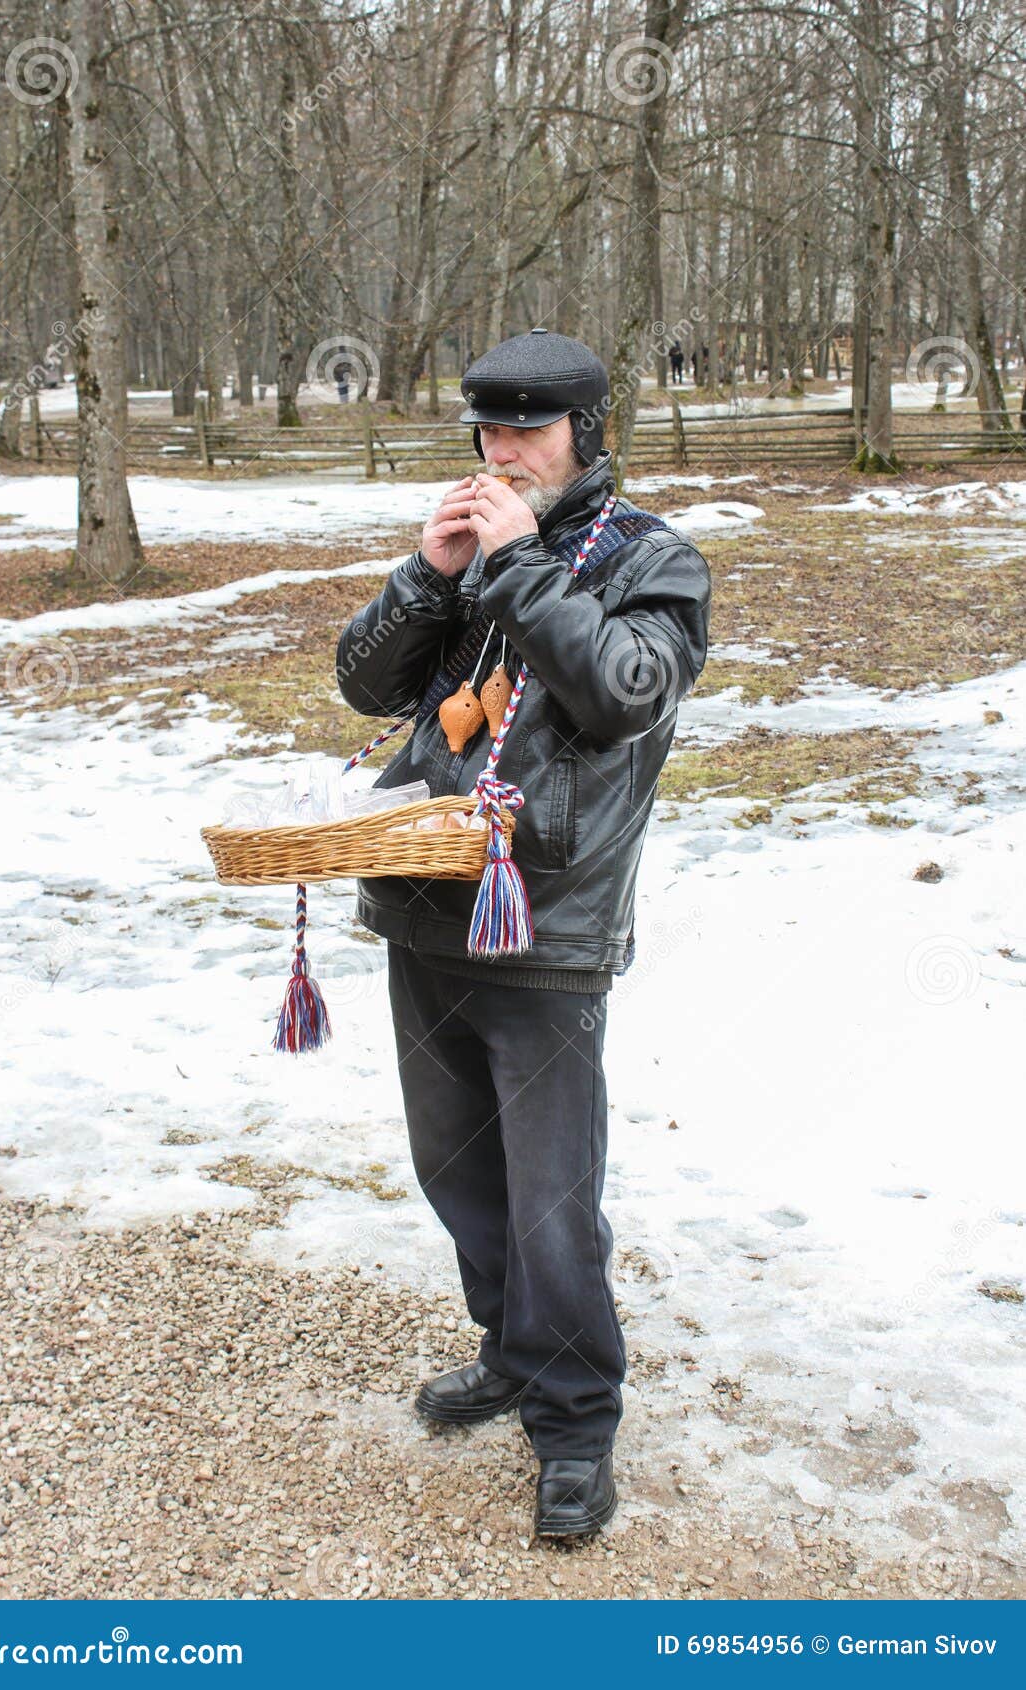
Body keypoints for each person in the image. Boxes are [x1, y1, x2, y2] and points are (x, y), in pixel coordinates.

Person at [335, 328, 711, 1538]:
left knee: (553, 1198)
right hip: (424, 903)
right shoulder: (473, 554)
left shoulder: (652, 561)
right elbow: (366, 687)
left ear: (586, 434)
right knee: (456, 1170)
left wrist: (514, 567)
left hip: (547, 927)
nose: (503, 455)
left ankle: (573, 1420)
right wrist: (423, 575)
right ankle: (511, 1348)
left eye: (528, 433)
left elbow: (620, 693)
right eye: (489, 434)